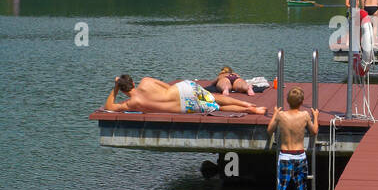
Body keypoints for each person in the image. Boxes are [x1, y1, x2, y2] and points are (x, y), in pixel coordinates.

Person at [103, 75, 267, 115]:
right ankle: (248, 104)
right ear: (133, 83)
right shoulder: (146, 81)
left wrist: (115, 87)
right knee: (214, 97)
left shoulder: (132, 104)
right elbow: (167, 86)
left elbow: (109, 107)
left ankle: (253, 110)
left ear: (124, 90)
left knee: (217, 107)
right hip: (183, 89)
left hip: (183, 105)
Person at [267, 87, 319, 190]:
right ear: (301, 102)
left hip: (285, 155)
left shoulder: (281, 115)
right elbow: (314, 131)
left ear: (287, 101)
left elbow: (269, 130)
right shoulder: (305, 115)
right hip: (300, 155)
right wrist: (315, 116)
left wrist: (275, 114)